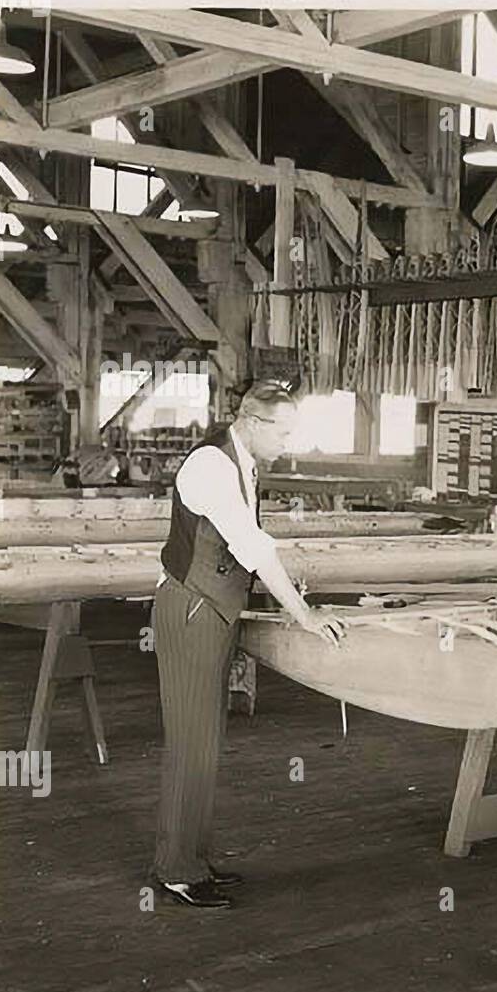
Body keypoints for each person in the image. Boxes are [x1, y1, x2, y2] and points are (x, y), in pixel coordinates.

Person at [152, 381, 345, 909]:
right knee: (191, 743)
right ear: (254, 423)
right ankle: (176, 869)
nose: (287, 444)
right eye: (282, 432)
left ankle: (191, 858)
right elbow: (252, 546)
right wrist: (301, 613)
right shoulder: (211, 465)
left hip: (211, 609)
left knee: (205, 742)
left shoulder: (244, 462)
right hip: (191, 609)